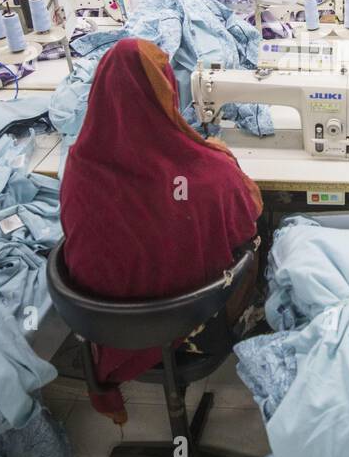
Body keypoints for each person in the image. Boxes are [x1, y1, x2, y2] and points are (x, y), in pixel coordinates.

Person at [59, 38, 261, 422]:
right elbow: (245, 221)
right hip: (194, 328)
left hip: (106, 326)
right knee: (262, 234)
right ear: (168, 92)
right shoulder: (209, 175)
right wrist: (218, 157)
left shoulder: (79, 166)